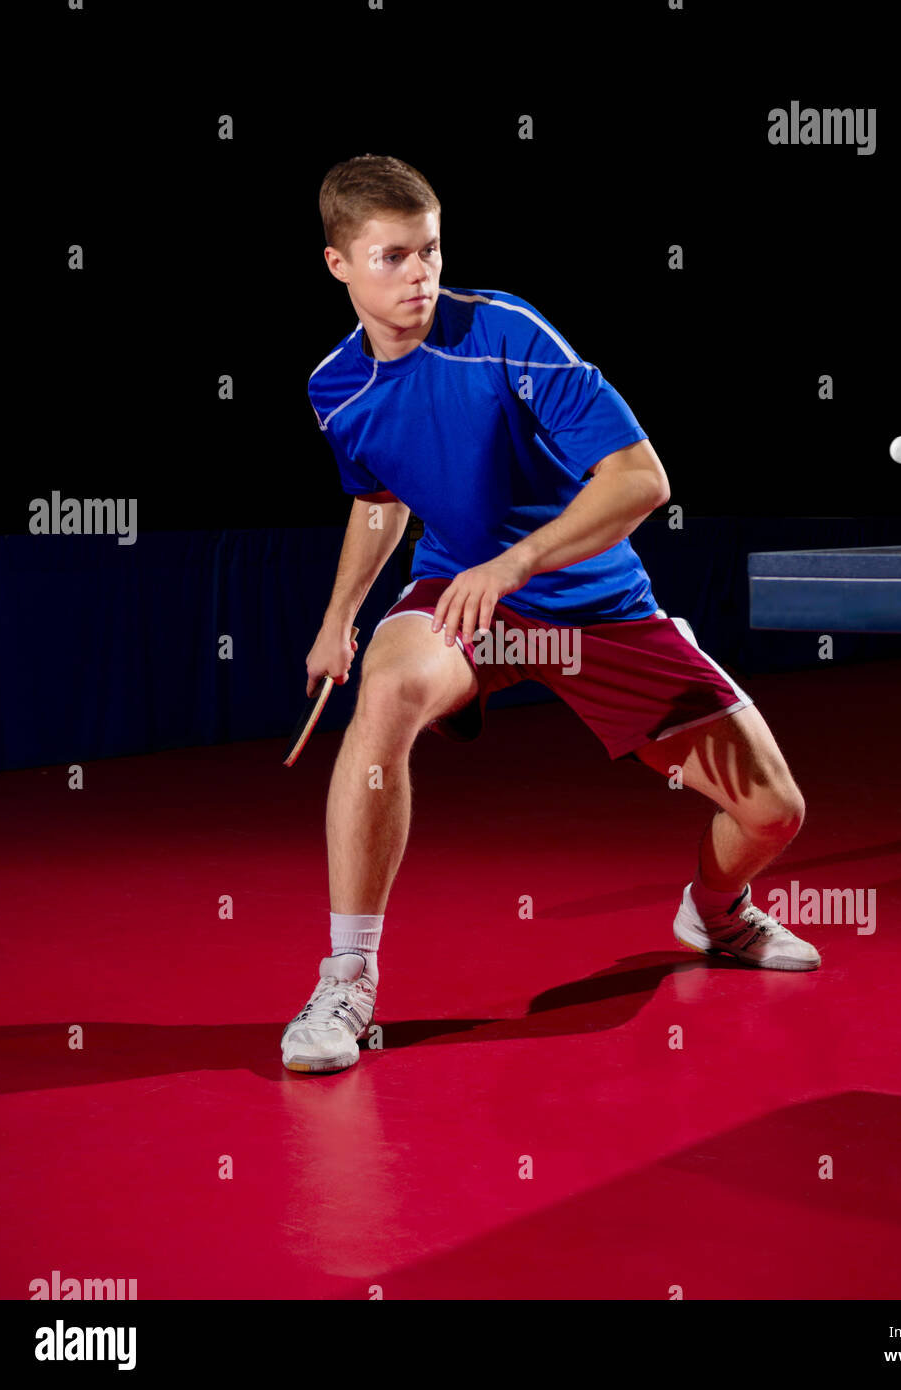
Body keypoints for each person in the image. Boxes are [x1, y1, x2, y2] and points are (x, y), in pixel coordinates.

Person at [282, 155, 819, 1075]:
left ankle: (715, 911)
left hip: (598, 605)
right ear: (339, 264)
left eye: (432, 251)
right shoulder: (336, 388)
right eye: (393, 257)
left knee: (775, 815)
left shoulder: (506, 334)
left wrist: (519, 559)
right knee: (389, 688)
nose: (419, 276)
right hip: (462, 596)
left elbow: (643, 480)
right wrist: (340, 617)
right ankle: (348, 979)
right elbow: (379, 500)